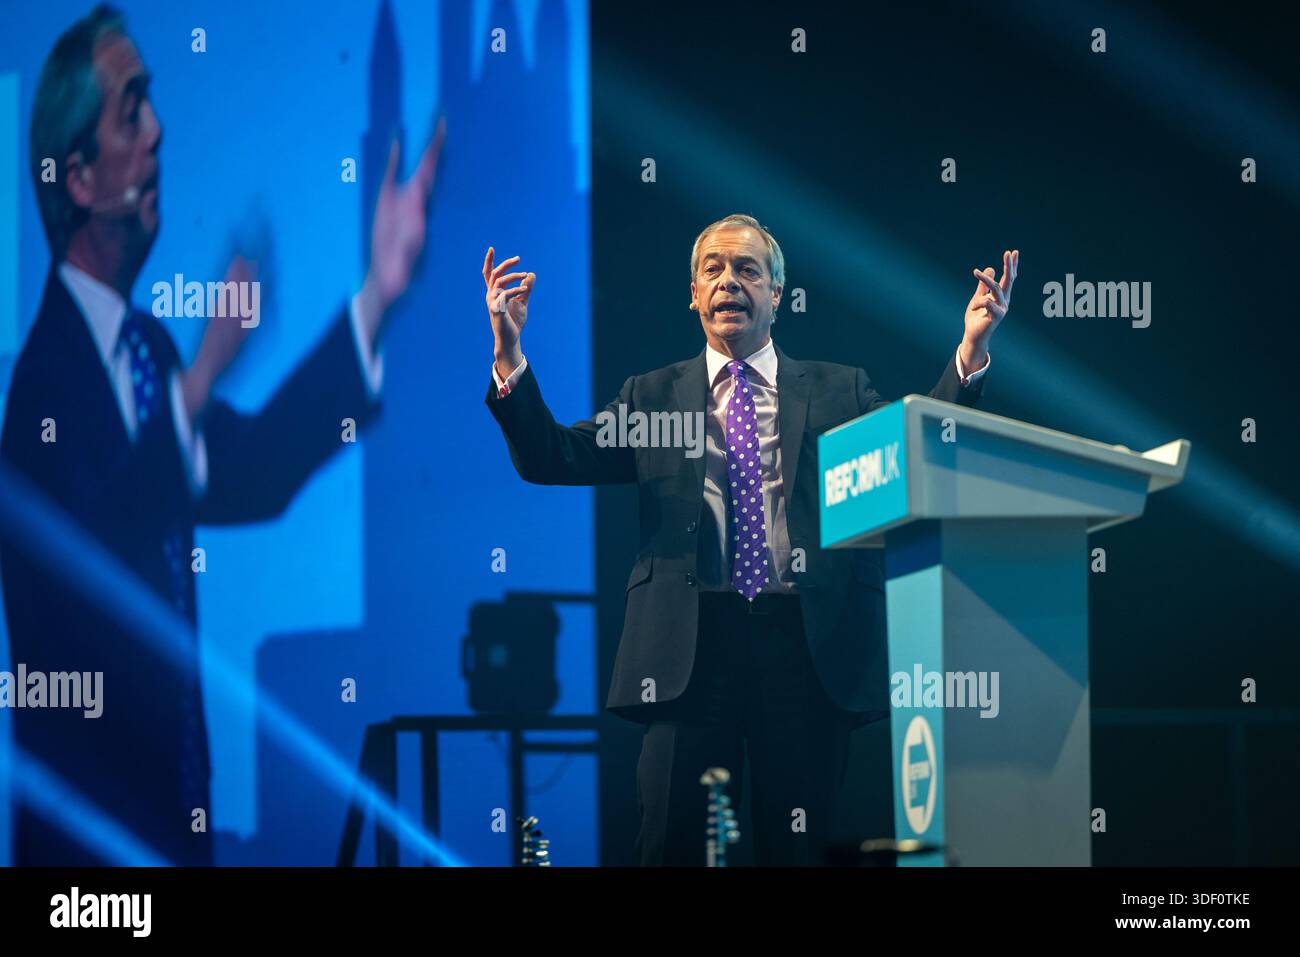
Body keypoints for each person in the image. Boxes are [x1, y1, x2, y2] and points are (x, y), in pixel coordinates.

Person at [0, 4, 443, 865]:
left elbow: (260, 472)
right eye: (133, 112)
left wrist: (376, 299)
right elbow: (101, 549)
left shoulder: (145, 354)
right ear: (80, 177)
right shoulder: (40, 389)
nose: (160, 131)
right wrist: (198, 383)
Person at [484, 213, 1018, 865]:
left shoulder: (837, 388)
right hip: (687, 649)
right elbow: (554, 456)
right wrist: (510, 354)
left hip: (804, 647)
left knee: (795, 850)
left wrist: (969, 353)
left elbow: (916, 452)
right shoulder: (653, 397)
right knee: (670, 845)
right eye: (712, 268)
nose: (727, 281)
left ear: (778, 295)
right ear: (692, 293)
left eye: (746, 269)